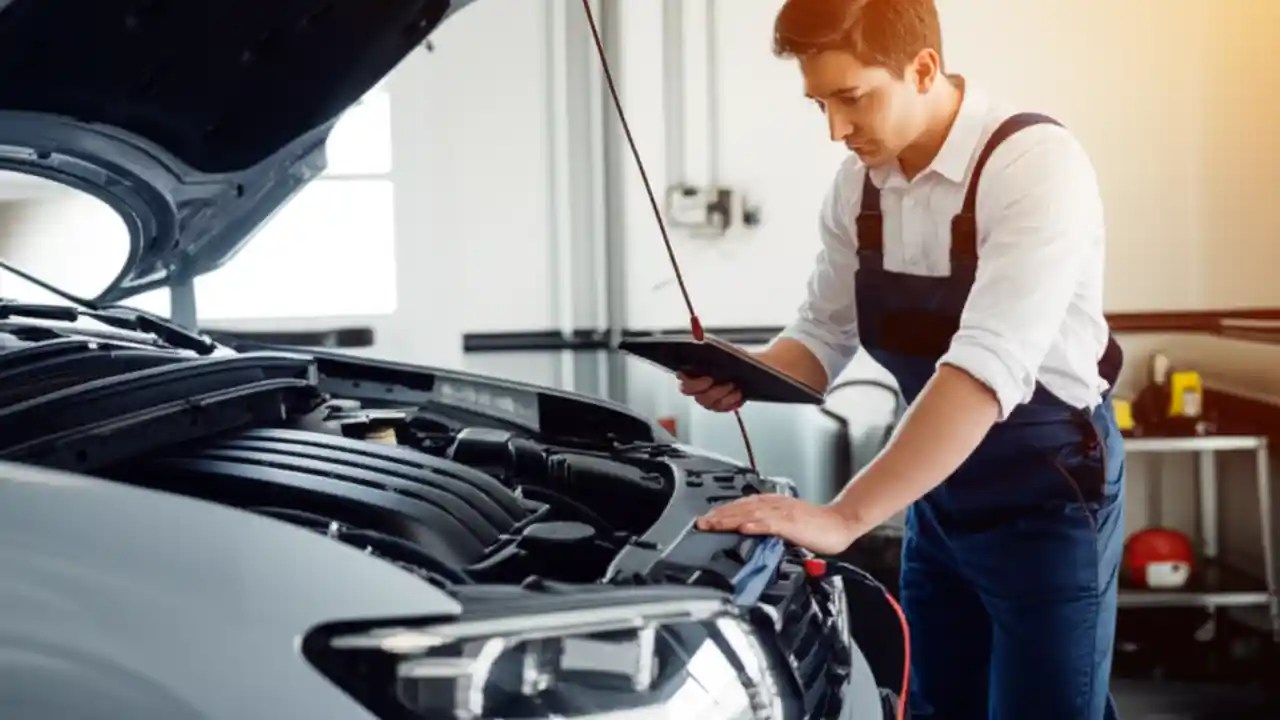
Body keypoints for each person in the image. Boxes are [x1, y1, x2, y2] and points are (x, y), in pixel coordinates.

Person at [683, 0, 1127, 718]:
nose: (835, 129)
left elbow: (985, 371)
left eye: (852, 98)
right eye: (820, 103)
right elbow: (821, 340)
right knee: (934, 705)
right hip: (936, 496)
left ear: (921, 69)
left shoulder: (1035, 165)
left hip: (1050, 495)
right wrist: (747, 371)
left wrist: (843, 516)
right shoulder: (858, 187)